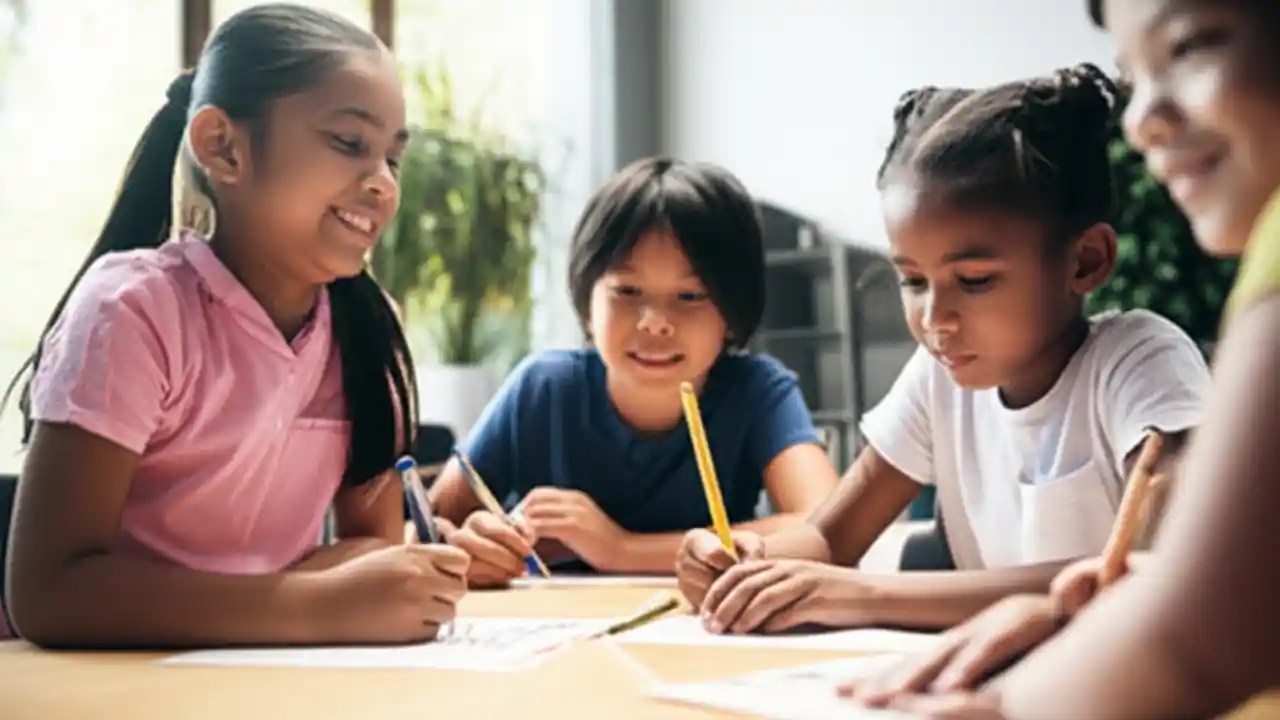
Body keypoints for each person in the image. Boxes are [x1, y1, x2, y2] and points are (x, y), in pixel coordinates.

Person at [678, 63, 1210, 636]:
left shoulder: (1139, 362)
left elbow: (1162, 569)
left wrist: (868, 594)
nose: (935, 320)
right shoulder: (938, 376)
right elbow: (831, 537)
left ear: (1085, 262)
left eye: (975, 280)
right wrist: (753, 564)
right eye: (912, 281)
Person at [3, 3, 468, 648]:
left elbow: (369, 541)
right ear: (224, 147)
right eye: (349, 144)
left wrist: (407, 572)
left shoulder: (367, 326)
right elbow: (49, 593)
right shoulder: (135, 312)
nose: (384, 184)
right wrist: (313, 606)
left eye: (394, 158)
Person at [428, 157, 839, 586]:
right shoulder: (544, 387)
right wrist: (472, 547)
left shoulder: (756, 392)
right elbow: (432, 525)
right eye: (627, 291)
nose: (655, 321)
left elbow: (824, 526)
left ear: (733, 313)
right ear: (587, 303)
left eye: (690, 295)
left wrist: (622, 550)